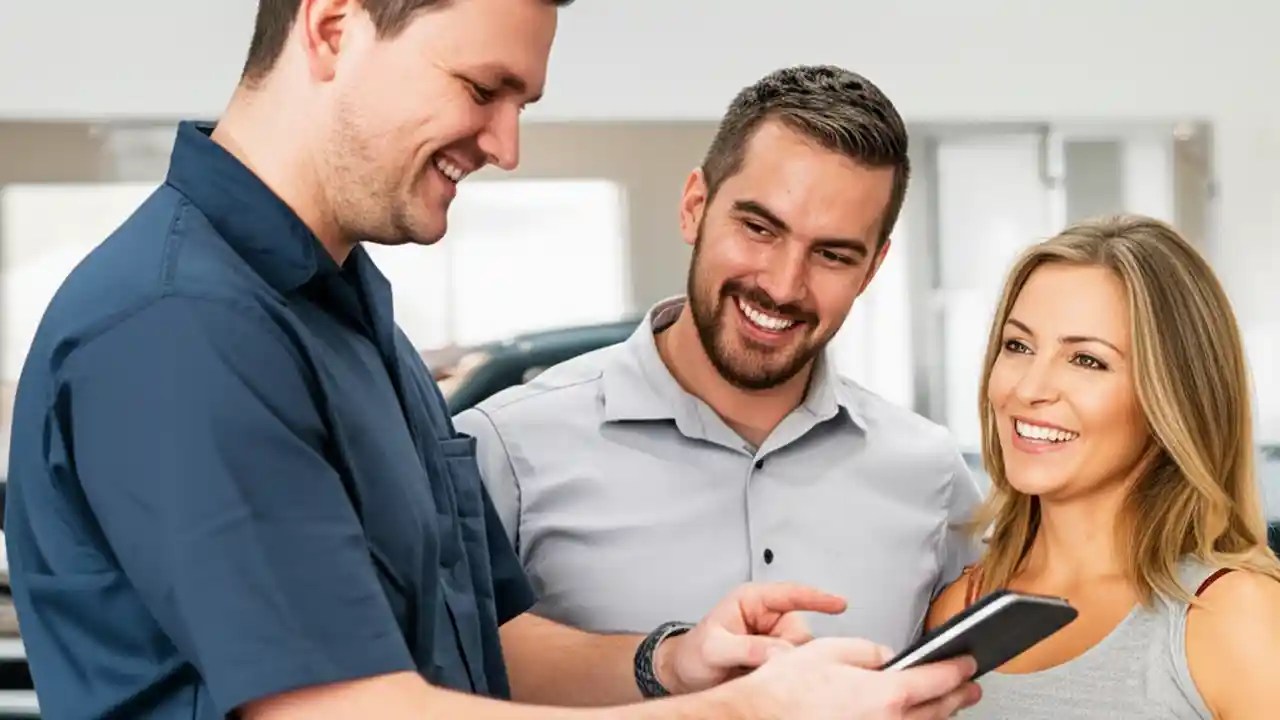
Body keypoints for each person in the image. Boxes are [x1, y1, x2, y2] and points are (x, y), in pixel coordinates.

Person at [2, 1, 982, 719]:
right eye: (483, 89)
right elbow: (341, 713)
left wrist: (675, 665)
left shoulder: (352, 322)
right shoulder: (183, 327)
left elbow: (482, 649)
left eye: (521, 99)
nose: (506, 144)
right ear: (333, 25)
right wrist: (740, 716)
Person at [454, 64, 984, 652]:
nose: (783, 286)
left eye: (832, 255)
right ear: (694, 206)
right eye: (759, 228)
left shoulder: (932, 478)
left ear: (872, 270)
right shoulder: (502, 451)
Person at [925, 215, 1280, 718]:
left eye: (1087, 360)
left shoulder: (1233, 615)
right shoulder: (959, 607)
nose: (1028, 388)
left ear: (1170, 399)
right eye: (1018, 346)